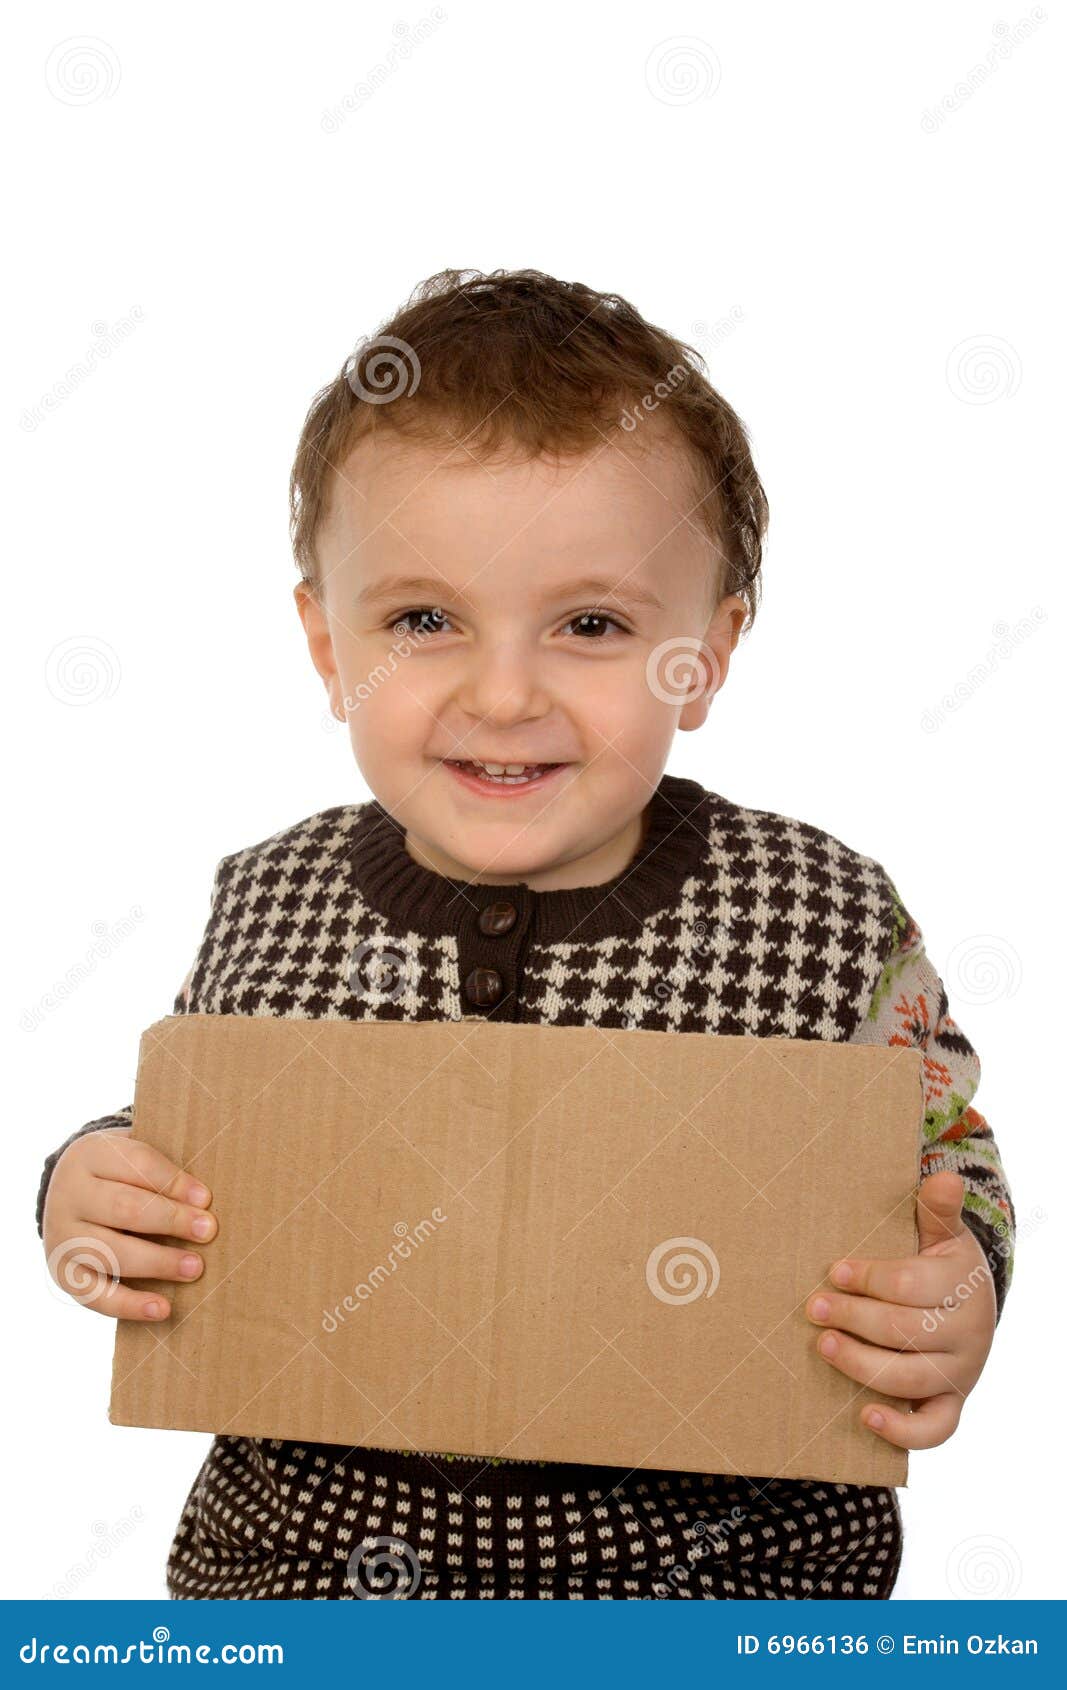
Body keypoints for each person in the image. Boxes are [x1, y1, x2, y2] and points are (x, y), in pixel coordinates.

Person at [37, 268, 1015, 1600]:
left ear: (708, 654)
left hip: (709, 1604)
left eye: (593, 624)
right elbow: (201, 1145)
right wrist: (87, 1181)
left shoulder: (823, 907)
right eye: (424, 620)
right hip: (301, 1590)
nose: (504, 695)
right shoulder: (269, 891)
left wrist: (957, 1286)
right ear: (329, 647)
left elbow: (948, 1157)